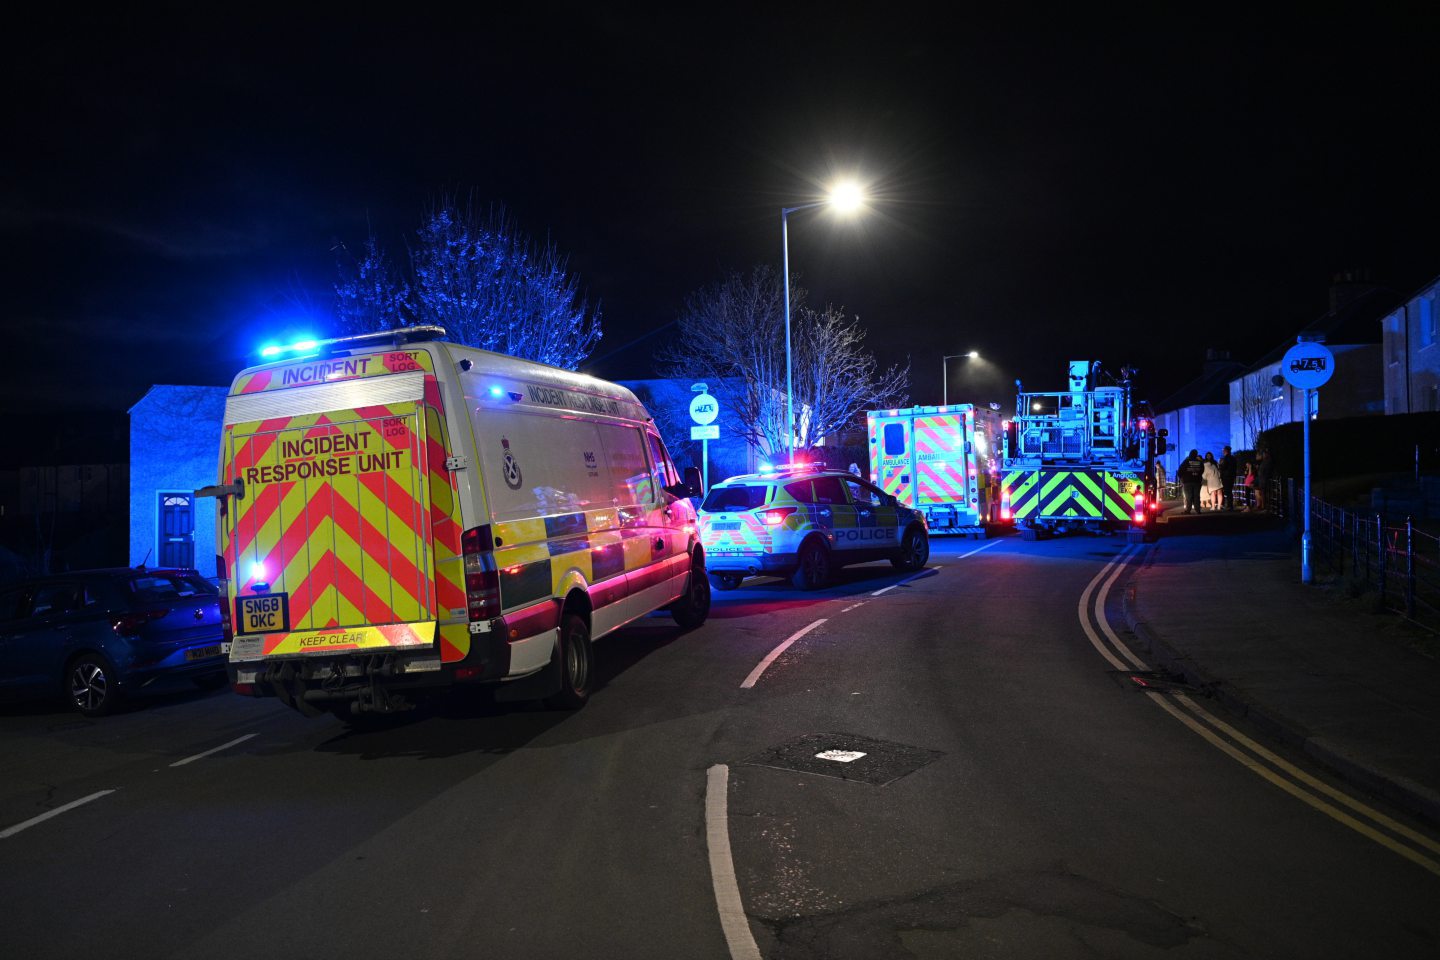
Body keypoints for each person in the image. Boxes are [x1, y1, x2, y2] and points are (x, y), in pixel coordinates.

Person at [1179, 448, 1205, 514]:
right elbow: (1202, 470)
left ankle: (1188, 510)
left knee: (1188, 496)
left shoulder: (1186, 461)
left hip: (1187, 481)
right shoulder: (1199, 462)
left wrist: (1182, 478)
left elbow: (1180, 470)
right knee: (1197, 496)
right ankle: (1198, 510)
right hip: (1197, 481)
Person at [1218, 445, 1237, 511]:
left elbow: (1223, 467)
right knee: (1229, 491)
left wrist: (1220, 465)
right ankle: (1230, 505)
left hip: (1226, 477)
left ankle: (1229, 506)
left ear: (1226, 450)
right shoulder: (1233, 458)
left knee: (1228, 492)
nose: (1223, 451)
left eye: (1223, 450)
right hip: (1231, 476)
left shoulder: (1226, 458)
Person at [1255, 448, 1272, 512]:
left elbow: (1267, 471)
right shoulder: (1264, 461)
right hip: (1262, 479)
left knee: (1264, 494)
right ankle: (1263, 506)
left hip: (1264, 479)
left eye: (1264, 454)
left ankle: (1264, 507)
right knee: (1262, 493)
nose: (1263, 455)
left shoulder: (1267, 461)